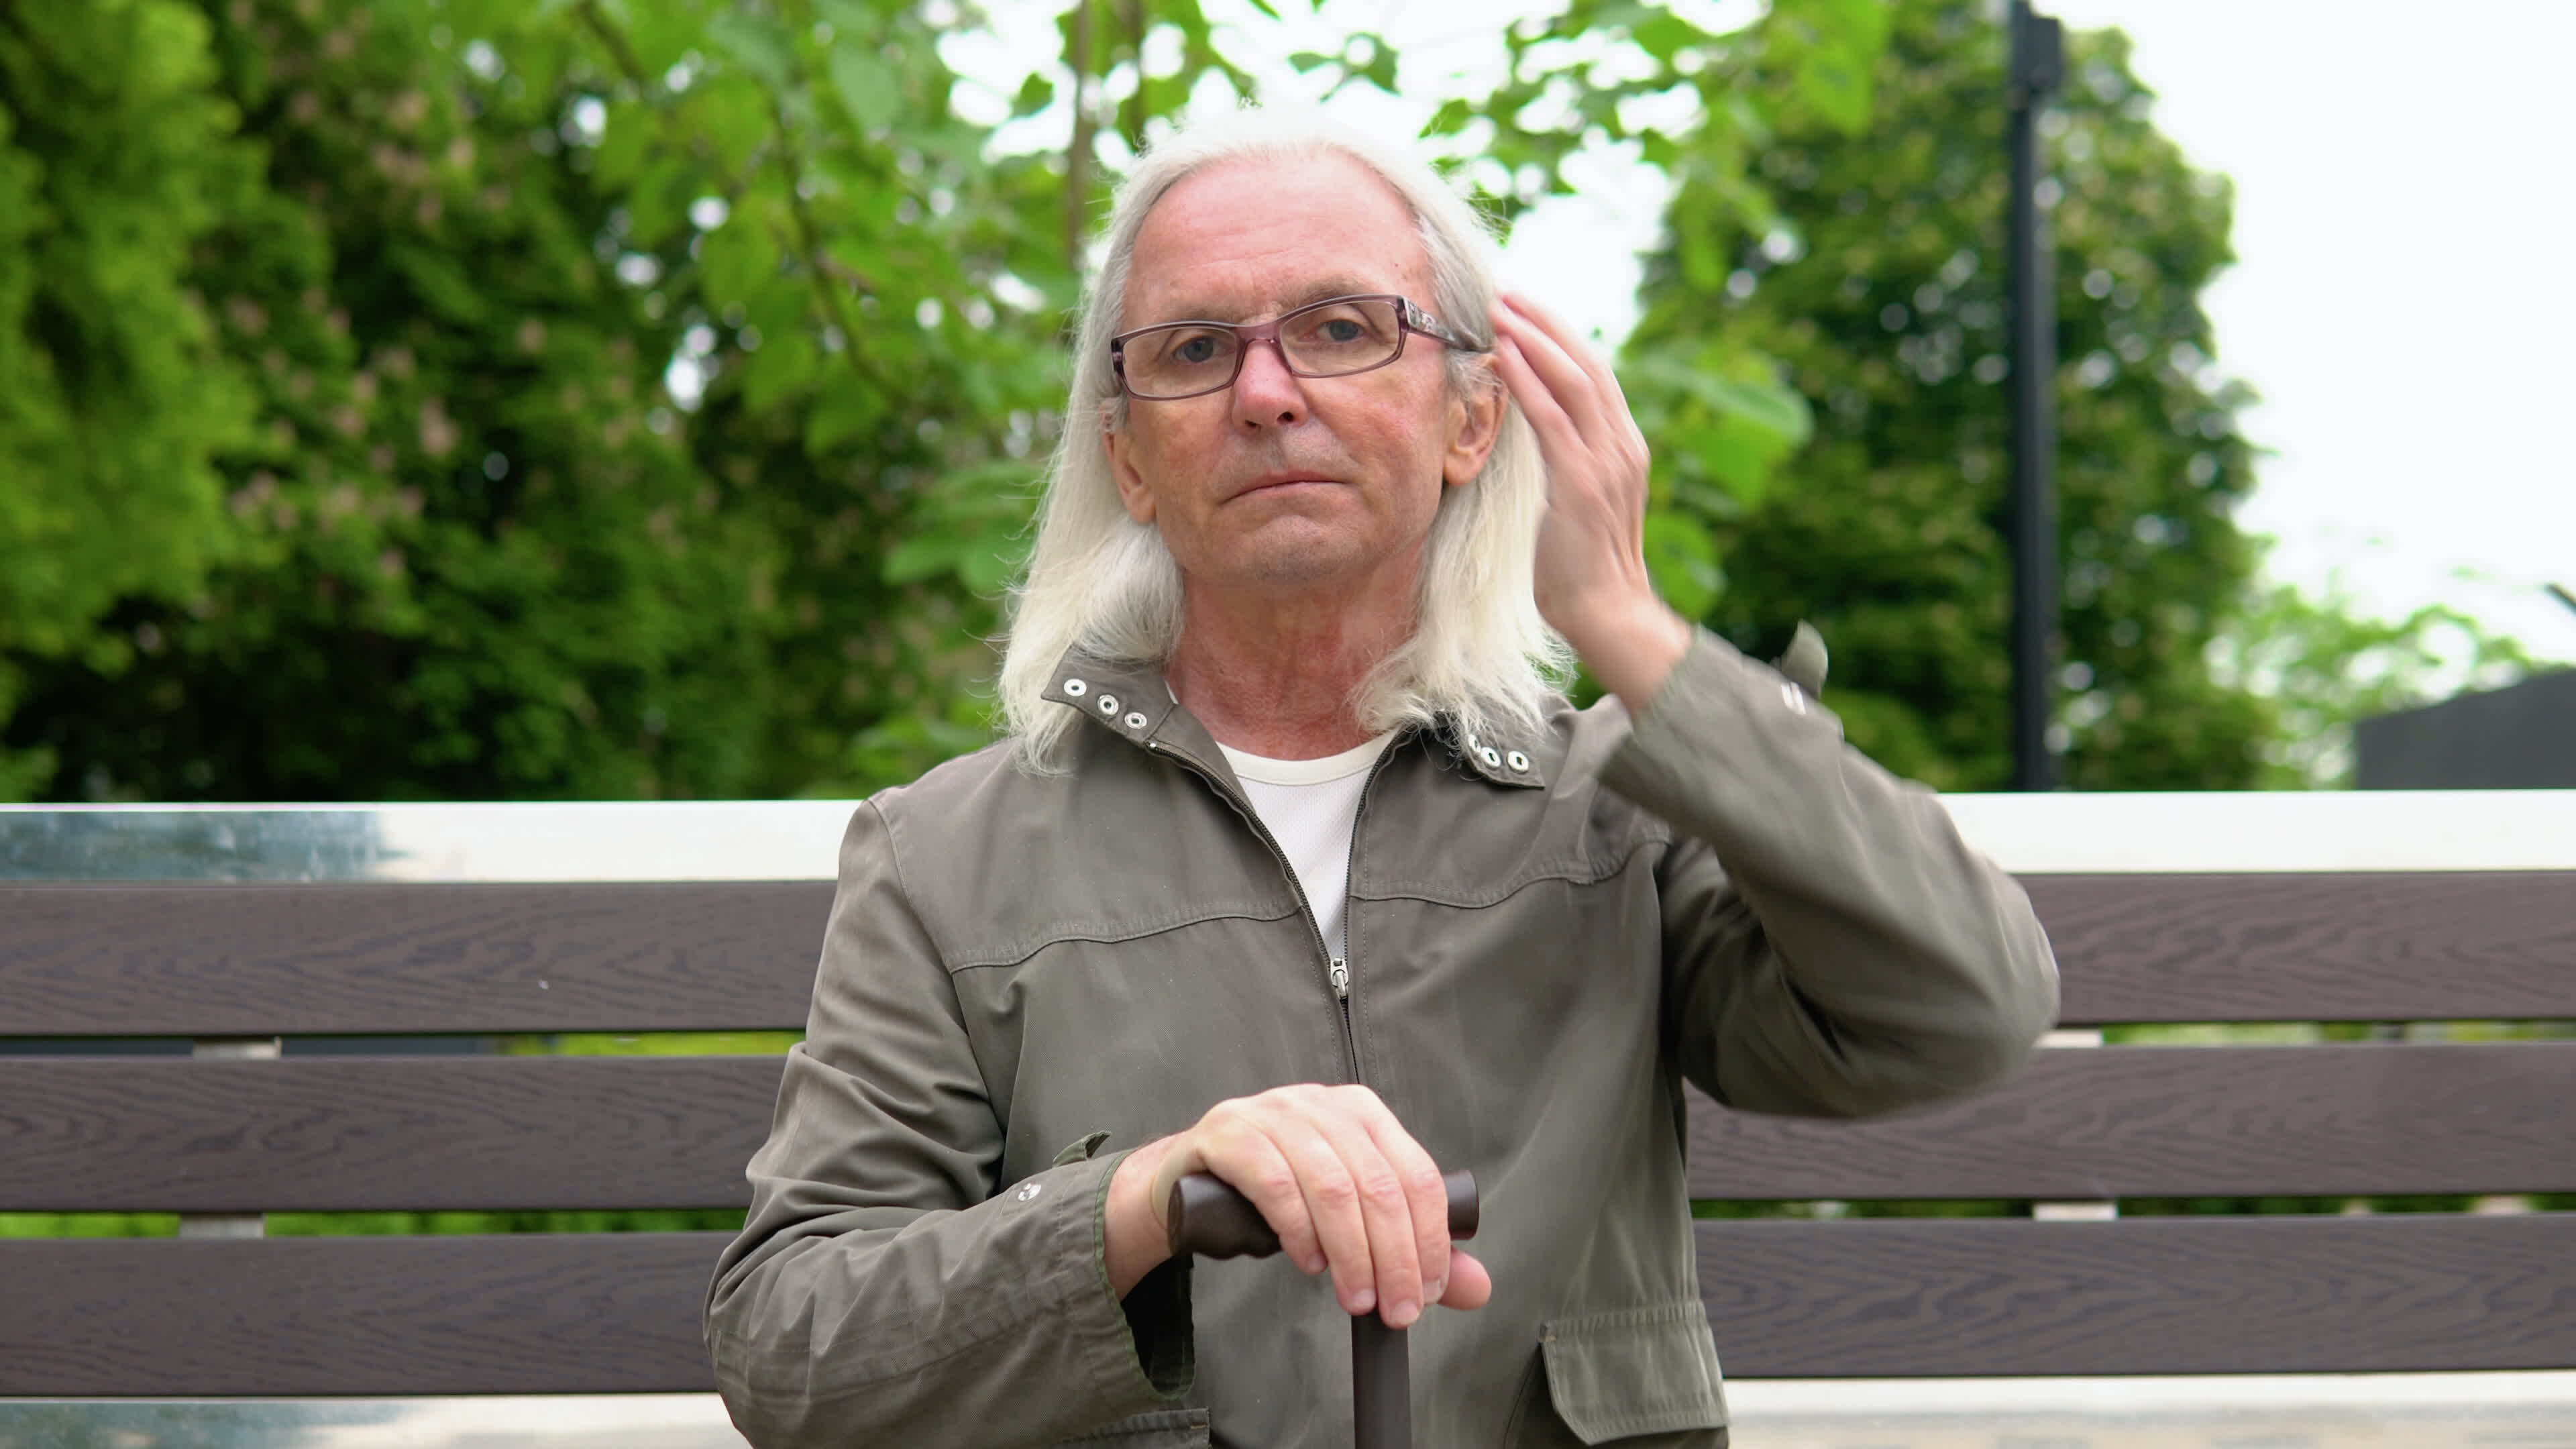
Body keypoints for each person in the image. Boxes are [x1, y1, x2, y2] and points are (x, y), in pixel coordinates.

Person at [704, 106, 2059, 1449]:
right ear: (1128, 457)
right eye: (1194, 349)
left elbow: (1967, 1005)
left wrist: (1632, 629)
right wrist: (1148, 1199)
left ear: (1475, 418)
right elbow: (792, 1351)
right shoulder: (947, 854)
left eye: (1341, 330)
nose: (1266, 392)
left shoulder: (1620, 818)